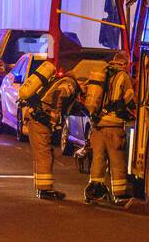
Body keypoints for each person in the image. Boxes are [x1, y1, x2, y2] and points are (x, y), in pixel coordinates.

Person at [81, 50, 137, 207]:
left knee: (98, 159)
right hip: (113, 126)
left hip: (97, 126)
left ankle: (94, 190)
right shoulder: (123, 77)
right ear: (125, 63)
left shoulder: (102, 73)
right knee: (117, 160)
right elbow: (129, 97)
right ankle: (120, 195)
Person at [19, 59, 80, 200]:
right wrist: (54, 117)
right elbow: (59, 95)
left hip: (36, 116)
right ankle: (45, 190)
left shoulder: (59, 80)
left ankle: (43, 188)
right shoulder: (69, 84)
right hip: (40, 119)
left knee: (44, 154)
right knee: (44, 155)